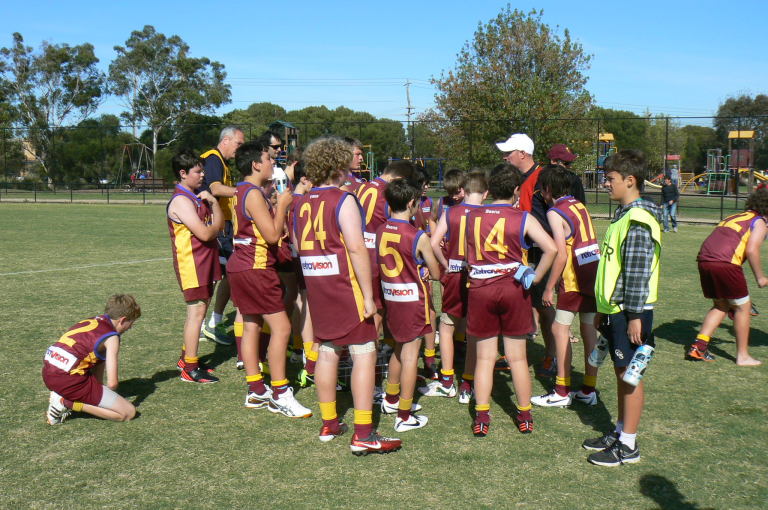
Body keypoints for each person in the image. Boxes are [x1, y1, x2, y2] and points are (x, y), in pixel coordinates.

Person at [294, 136, 401, 454]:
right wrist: (369, 295)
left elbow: (299, 247)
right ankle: (364, 435)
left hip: (318, 284)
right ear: (339, 165)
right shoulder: (344, 199)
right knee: (364, 352)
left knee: (327, 350)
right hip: (345, 284)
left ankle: (330, 422)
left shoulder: (301, 200)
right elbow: (356, 247)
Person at [583, 149, 662, 467]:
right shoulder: (624, 216)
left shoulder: (639, 220)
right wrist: (603, 308)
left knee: (631, 376)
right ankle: (619, 431)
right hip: (616, 310)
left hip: (631, 313)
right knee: (620, 373)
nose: (605, 184)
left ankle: (628, 445)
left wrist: (634, 316)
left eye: (610, 179)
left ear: (630, 180)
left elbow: (637, 273)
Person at [465, 168, 556, 437]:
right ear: (517, 190)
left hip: (481, 288)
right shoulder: (523, 217)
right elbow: (551, 248)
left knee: (484, 357)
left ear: (489, 190)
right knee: (517, 358)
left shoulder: (471, 216)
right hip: (514, 289)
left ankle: (482, 416)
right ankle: (525, 414)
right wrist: (536, 277)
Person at [227, 140, 312, 418]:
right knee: (282, 328)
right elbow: (273, 236)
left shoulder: (240, 190)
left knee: (251, 325)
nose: (272, 163)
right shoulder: (252, 193)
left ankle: (256, 389)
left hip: (240, 265)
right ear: (255, 164)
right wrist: (284, 206)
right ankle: (280, 392)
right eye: (268, 158)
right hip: (256, 266)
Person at [532, 165, 601, 408]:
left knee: (560, 331)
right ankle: (589, 389)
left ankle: (561, 390)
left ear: (548, 189)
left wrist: (550, 287)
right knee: (589, 332)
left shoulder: (555, 212)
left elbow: (560, 255)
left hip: (573, 279)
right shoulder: (578, 205)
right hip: (593, 275)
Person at [377, 178, 441, 432]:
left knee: (398, 349)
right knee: (410, 356)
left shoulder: (381, 229)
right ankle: (404, 415)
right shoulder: (417, 236)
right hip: (412, 300)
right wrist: (424, 267)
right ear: (413, 203)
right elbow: (435, 273)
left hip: (391, 296)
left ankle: (391, 399)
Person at [423, 170, 487, 403]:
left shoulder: (451, 212)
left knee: (448, 325)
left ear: (464, 190)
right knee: (472, 330)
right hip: (480, 275)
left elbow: (433, 241)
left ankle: (448, 380)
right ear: (485, 192)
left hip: (455, 273)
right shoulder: (487, 212)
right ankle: (467, 382)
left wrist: (444, 264)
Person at [496, 133, 558, 377]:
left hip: (539, 254)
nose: (505, 157)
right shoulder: (515, 179)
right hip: (519, 255)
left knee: (544, 306)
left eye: (509, 152)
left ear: (523, 153)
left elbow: (549, 219)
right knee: (516, 306)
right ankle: (513, 353)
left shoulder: (542, 177)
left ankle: (552, 355)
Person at [688, 186, 768, 366]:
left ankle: (699, 347)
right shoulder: (760, 222)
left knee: (721, 305)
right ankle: (743, 356)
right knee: (743, 307)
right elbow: (752, 249)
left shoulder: (735, 216)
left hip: (704, 260)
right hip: (725, 263)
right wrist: (760, 277)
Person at [167, 151, 225, 383]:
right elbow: (205, 232)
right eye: (198, 171)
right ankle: (189, 368)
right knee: (197, 312)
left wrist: (212, 202)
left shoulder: (196, 196)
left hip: (204, 260)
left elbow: (217, 226)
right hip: (191, 263)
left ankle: (187, 357)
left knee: (201, 308)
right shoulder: (181, 200)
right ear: (183, 174)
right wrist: (212, 229)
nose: (203, 175)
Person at [43, 294, 141, 424]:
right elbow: (112, 383)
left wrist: (98, 389)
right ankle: (66, 402)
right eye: (131, 322)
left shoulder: (94, 321)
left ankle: (64, 395)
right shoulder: (112, 338)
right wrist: (108, 398)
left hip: (48, 373)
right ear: (122, 320)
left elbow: (97, 360)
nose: (131, 327)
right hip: (68, 381)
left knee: (93, 385)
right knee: (128, 412)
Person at [199, 126, 244, 345]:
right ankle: (208, 324)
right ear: (226, 140)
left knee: (226, 274)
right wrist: (245, 191)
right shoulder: (213, 158)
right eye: (238, 144)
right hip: (216, 226)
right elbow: (215, 188)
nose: (240, 149)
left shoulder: (222, 162)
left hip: (223, 225)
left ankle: (210, 323)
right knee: (220, 274)